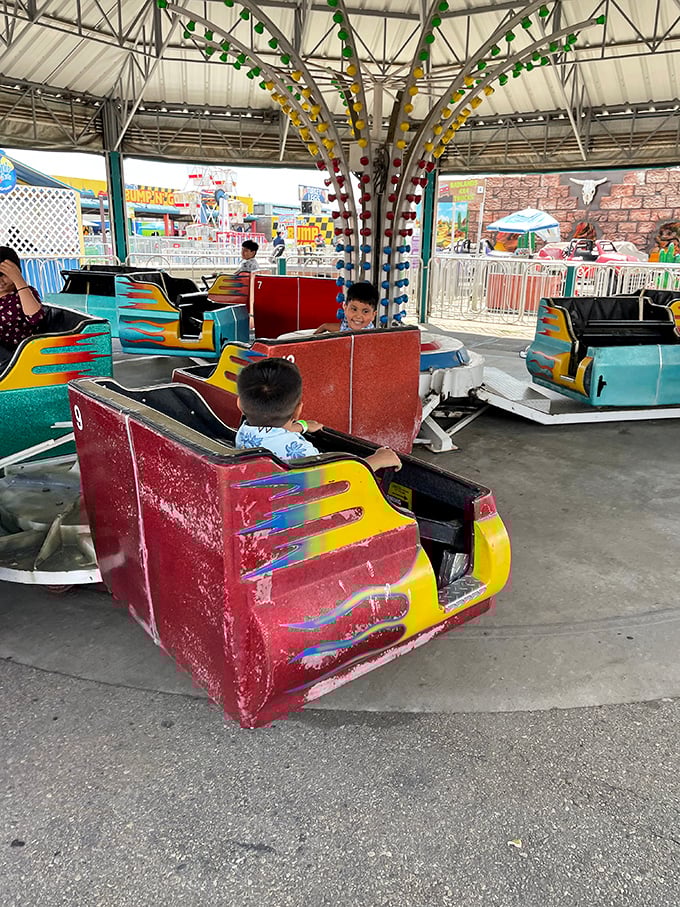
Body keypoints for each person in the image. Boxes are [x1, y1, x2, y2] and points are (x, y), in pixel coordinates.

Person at [235, 358, 400, 471]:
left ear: (240, 404)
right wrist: (378, 459)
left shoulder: (244, 431)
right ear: (298, 410)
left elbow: (270, 436)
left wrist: (301, 427)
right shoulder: (303, 452)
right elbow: (339, 478)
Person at [0, 246, 44, 359]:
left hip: (16, 357)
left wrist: (19, 281)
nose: (0, 281)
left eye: (3, 275)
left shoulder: (24, 293)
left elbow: (35, 318)